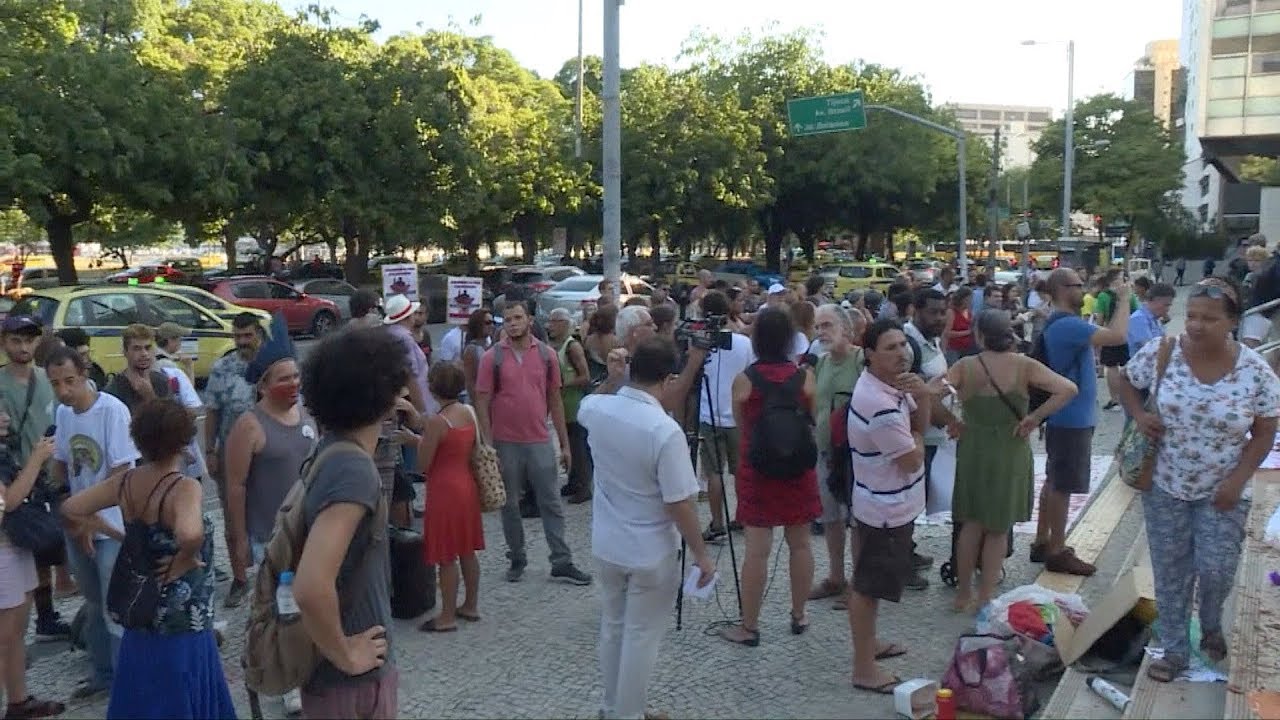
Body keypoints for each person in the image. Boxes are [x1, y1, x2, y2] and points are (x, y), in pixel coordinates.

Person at [1116, 278, 1280, 682]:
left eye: (1209, 318)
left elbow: (1264, 432)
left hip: (1223, 488)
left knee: (1216, 567)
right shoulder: (1163, 352)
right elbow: (1122, 380)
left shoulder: (1255, 371)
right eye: (1191, 315)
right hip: (1164, 482)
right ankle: (1175, 651)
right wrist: (1139, 415)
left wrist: (1237, 480)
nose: (1196, 325)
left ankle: (1210, 621)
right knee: (1171, 571)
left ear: (1232, 322)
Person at [62, 398, 236, 720]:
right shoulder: (184, 487)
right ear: (184, 442)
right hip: (183, 618)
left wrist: (98, 525)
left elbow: (71, 508)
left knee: (141, 695)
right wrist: (186, 557)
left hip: (140, 610)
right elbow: (189, 533)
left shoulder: (125, 481)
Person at [578, 337, 714, 720]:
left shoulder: (599, 408)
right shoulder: (664, 430)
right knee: (641, 636)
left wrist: (613, 378)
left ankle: (614, 706)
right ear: (668, 379)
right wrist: (702, 554)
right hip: (650, 549)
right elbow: (679, 502)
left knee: (614, 627)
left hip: (608, 542)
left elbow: (593, 401)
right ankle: (629, 713)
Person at [292, 327, 407, 719]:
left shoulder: (330, 451)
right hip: (352, 686)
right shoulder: (353, 468)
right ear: (386, 393)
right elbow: (310, 585)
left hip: (337, 682)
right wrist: (346, 654)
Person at [947, 311, 1077, 611]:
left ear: (979, 335)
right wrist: (1034, 417)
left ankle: (963, 593)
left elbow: (932, 390)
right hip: (1011, 447)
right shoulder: (1023, 365)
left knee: (971, 523)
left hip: (974, 448)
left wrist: (951, 420)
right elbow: (1068, 389)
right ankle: (986, 596)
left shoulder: (965, 366)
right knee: (997, 528)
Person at [844, 320, 942, 694]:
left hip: (889, 501)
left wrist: (925, 397)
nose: (902, 353)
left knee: (872, 582)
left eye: (903, 344)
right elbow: (912, 459)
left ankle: (870, 647)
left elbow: (919, 426)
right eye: (890, 347)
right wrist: (916, 437)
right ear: (869, 354)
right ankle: (863, 668)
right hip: (884, 508)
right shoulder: (878, 402)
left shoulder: (892, 385)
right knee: (867, 588)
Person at [718, 308, 820, 647]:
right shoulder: (804, 377)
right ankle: (799, 613)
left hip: (758, 469)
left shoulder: (745, 380)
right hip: (796, 468)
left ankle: (749, 625)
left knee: (756, 552)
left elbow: (740, 423)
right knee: (801, 544)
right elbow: (812, 416)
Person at [47, 346, 141, 700]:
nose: (63, 390)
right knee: (91, 601)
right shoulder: (63, 412)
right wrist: (63, 506)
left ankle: (125, 681)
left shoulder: (112, 411)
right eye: (55, 383)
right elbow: (60, 466)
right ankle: (102, 673)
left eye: (69, 381)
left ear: (84, 373)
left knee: (114, 603)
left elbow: (121, 475)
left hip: (109, 524)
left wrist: (89, 518)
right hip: (77, 522)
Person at [474, 302, 590, 585]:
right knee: (510, 503)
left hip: (538, 438)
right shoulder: (492, 358)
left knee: (550, 501)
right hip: (505, 441)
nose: (512, 323)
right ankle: (517, 556)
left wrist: (563, 443)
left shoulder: (547, 355)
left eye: (518, 318)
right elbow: (482, 401)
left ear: (529, 321)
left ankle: (561, 560)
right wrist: (487, 445)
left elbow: (555, 400)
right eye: (508, 319)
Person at [1035, 268, 1130, 576]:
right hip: (1071, 417)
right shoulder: (1069, 325)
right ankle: (1057, 550)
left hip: (1066, 415)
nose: (1084, 291)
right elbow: (1117, 336)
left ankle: (1042, 540)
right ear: (1063, 289)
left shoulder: (1060, 323)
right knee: (1063, 484)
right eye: (1078, 285)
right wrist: (1125, 299)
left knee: (1054, 478)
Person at [222, 325, 315, 609]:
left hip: (310, 528)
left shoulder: (307, 412)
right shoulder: (248, 426)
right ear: (263, 386)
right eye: (284, 379)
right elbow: (235, 487)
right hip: (270, 537)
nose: (294, 384)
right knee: (280, 609)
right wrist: (240, 541)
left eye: (296, 376)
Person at [0, 316, 72, 644]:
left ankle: (47, 612)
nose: (23, 347)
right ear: (4, 343)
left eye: (29, 340)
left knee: (53, 541)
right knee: (31, 545)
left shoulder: (48, 378)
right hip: (16, 477)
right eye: (16, 340)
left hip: (49, 474)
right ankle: (41, 616)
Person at [409, 363, 483, 633]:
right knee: (467, 549)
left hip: (444, 489)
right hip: (465, 484)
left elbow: (424, 463)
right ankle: (470, 604)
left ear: (432, 388)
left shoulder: (437, 421)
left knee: (446, 554)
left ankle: (447, 615)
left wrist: (414, 441)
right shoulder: (468, 412)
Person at [0, 419, 64, 719]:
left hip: (16, 545)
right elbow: (8, 501)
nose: (5, 417)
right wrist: (36, 460)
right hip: (2, 553)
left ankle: (18, 701)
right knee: (5, 634)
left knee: (16, 633)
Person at [807, 304, 866, 606]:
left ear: (847, 328)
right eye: (818, 327)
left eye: (827, 325)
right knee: (830, 517)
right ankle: (835, 577)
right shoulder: (821, 363)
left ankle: (856, 584)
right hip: (826, 453)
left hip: (855, 455)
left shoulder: (861, 361)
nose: (821, 333)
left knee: (856, 519)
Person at [204, 313, 263, 580]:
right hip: (230, 453)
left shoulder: (270, 365)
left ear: (258, 335)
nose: (242, 342)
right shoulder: (222, 368)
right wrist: (209, 450)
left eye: (247, 336)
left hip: (266, 454)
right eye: (237, 336)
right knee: (232, 520)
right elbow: (213, 411)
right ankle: (240, 578)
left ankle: (271, 574)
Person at [696, 291, 755, 543]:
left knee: (714, 473)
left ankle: (717, 523)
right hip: (738, 416)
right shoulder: (744, 343)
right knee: (740, 471)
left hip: (710, 416)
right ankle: (743, 516)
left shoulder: (698, 345)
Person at [547, 308, 592, 504]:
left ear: (565, 323)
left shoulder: (572, 347)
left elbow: (585, 376)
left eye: (554, 321)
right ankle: (573, 481)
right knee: (569, 445)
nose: (550, 326)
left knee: (578, 447)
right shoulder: (557, 346)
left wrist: (562, 385)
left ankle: (583, 486)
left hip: (574, 405)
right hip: (563, 406)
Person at [1128, 283, 1176, 357]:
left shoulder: (1155, 319)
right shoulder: (1138, 319)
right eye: (1166, 305)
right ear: (1153, 300)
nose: (1167, 309)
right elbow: (1150, 349)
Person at [460, 308, 494, 407]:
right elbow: (470, 382)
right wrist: (479, 405)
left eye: (492, 322)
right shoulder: (471, 349)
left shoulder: (491, 346)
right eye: (488, 323)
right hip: (477, 403)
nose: (491, 326)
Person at [943, 287, 975, 364]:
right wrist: (967, 332)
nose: (971, 301)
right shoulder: (951, 312)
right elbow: (947, 333)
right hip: (953, 349)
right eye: (969, 299)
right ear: (962, 299)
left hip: (967, 348)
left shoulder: (968, 311)